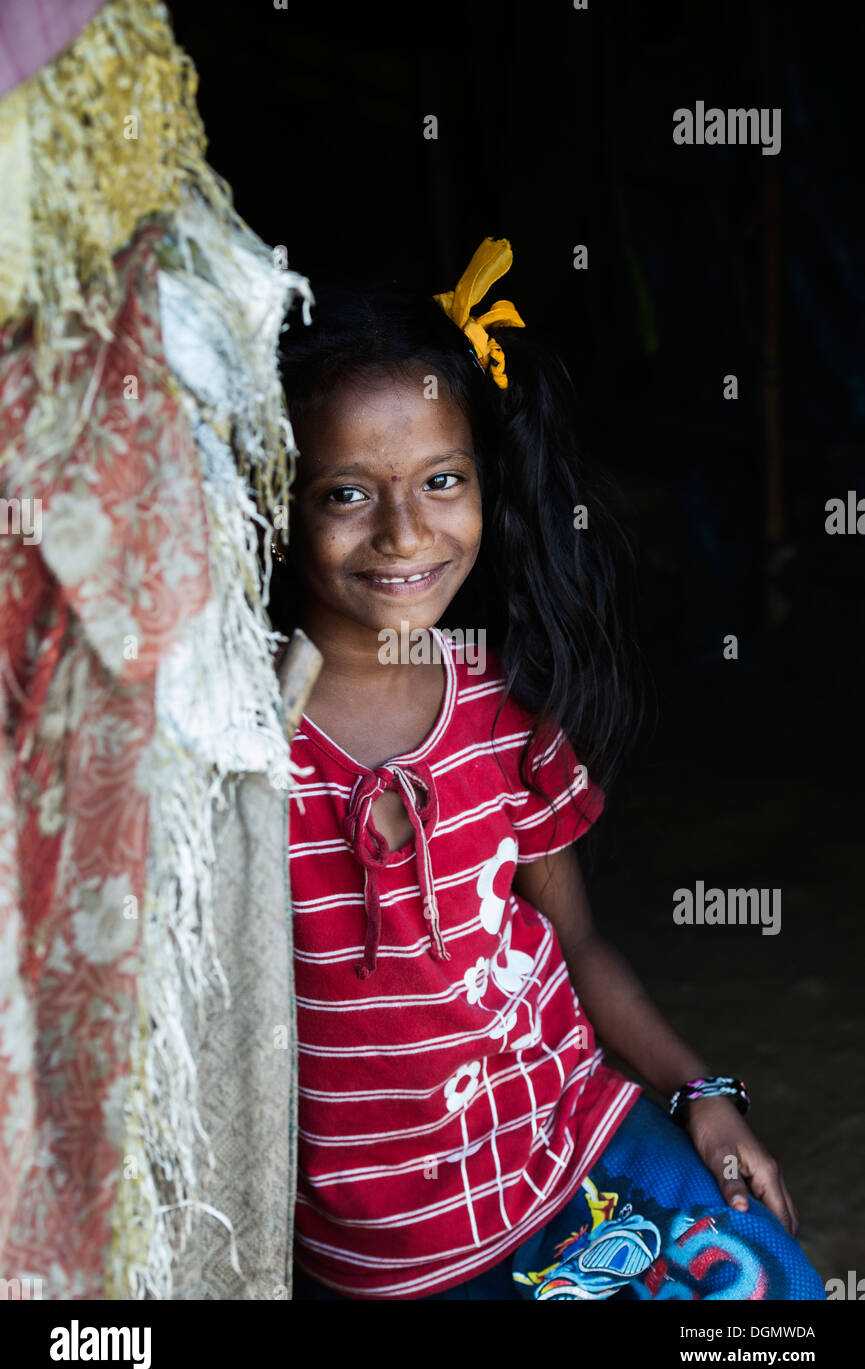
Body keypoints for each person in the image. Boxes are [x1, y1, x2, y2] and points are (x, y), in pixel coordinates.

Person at [270, 238, 825, 1301]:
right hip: (393, 1262)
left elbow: (571, 941)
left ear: (486, 483)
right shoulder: (240, 747)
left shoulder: (503, 706)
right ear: (279, 501)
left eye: (441, 480)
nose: (403, 532)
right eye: (346, 493)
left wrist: (698, 1091)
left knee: (778, 1302)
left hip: (578, 1148)